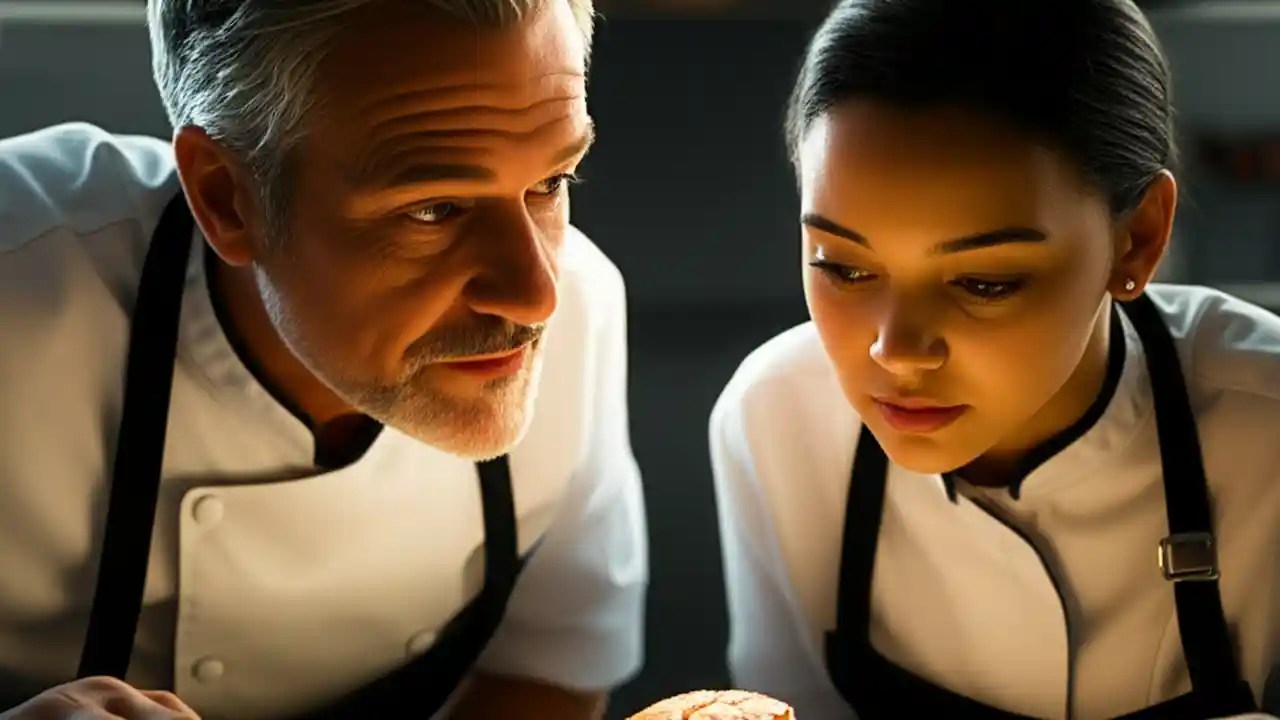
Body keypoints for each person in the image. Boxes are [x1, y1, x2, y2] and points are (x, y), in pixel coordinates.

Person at [0, 0, 647, 718]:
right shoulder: (15, 302)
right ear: (226, 198)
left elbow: (547, 674)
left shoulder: (582, 304)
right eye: (434, 210)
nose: (536, 297)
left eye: (550, 183)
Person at [709, 0, 1280, 718]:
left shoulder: (1268, 430)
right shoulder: (775, 422)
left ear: (1137, 239)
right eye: (844, 268)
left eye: (984, 283)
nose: (897, 351)